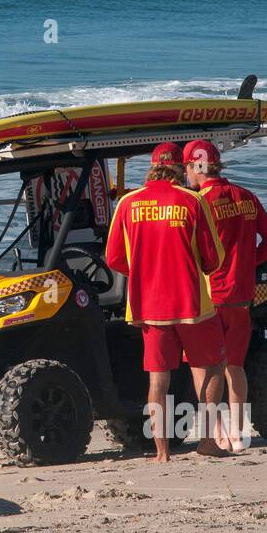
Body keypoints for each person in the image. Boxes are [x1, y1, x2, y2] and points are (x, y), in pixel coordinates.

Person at [105, 143, 227, 461]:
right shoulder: (192, 200)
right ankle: (208, 441)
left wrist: (145, 271)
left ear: (152, 166)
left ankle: (162, 452)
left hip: (148, 305)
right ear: (180, 168)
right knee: (212, 367)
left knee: (158, 379)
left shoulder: (127, 203)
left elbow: (114, 258)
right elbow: (213, 259)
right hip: (192, 303)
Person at [182, 139, 267, 452]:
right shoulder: (246, 196)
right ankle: (238, 434)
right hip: (241, 295)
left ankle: (217, 433)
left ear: (195, 167)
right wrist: (248, 262)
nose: (185, 174)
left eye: (186, 168)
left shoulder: (198, 202)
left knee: (204, 367)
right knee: (234, 367)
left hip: (209, 296)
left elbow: (190, 251)